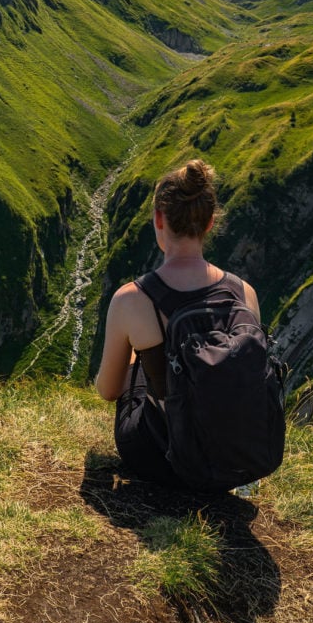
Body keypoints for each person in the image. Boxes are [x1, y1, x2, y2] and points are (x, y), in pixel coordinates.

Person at [95, 158, 262, 489]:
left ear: (159, 218)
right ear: (210, 223)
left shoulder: (132, 299)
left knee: (140, 362)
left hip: (161, 460)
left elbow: (109, 390)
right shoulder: (245, 293)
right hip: (233, 459)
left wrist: (137, 359)